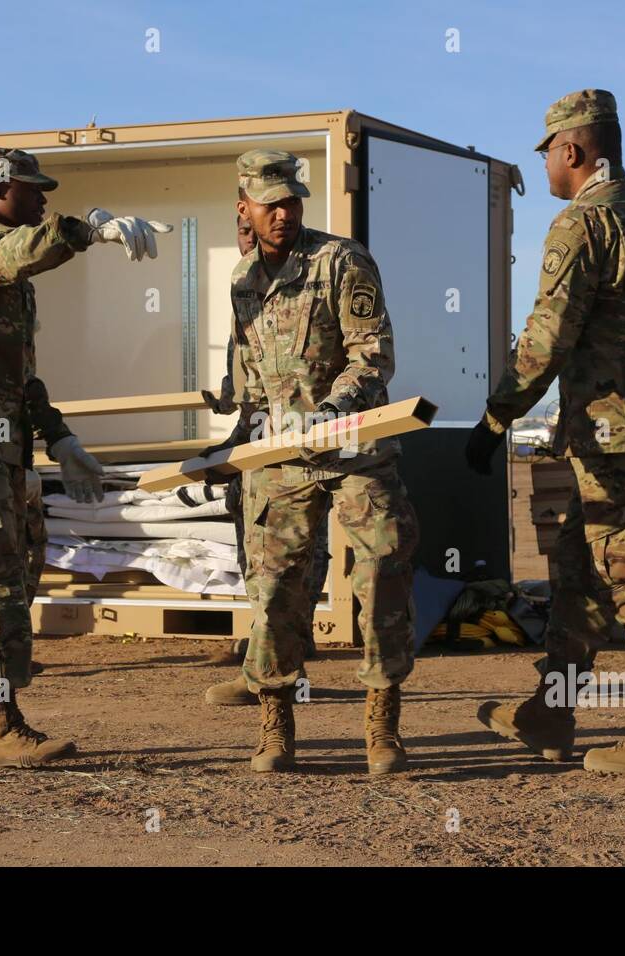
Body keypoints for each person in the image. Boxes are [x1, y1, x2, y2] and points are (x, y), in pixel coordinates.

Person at [465, 90, 625, 777]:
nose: (544, 167)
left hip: (612, 435)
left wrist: (496, 417)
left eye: (546, 155)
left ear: (571, 151)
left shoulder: (583, 225)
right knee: (578, 570)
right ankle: (553, 708)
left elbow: (547, 338)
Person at [0, 147, 170, 767]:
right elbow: (16, 252)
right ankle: (0, 726)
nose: (43, 199)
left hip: (0, 452)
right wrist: (87, 231)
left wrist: (60, 440)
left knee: (11, 580)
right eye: (33, 190)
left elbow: (23, 381)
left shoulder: (16, 290)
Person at [229, 149, 419, 774]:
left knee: (381, 572)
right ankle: (275, 723)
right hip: (280, 458)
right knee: (276, 589)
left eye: (292, 201)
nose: (283, 213)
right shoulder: (241, 281)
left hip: (356, 447)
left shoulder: (341, 260)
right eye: (270, 203)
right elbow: (251, 378)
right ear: (246, 210)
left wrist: (333, 410)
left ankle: (381, 724)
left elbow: (373, 356)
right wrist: (236, 444)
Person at [202, 214, 326, 707]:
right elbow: (252, 391)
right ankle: (265, 651)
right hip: (258, 442)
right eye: (244, 235)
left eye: (258, 237)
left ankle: (285, 653)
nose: (252, 244)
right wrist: (229, 448)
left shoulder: (309, 280)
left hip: (307, 444)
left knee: (302, 552)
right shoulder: (244, 288)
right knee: (256, 548)